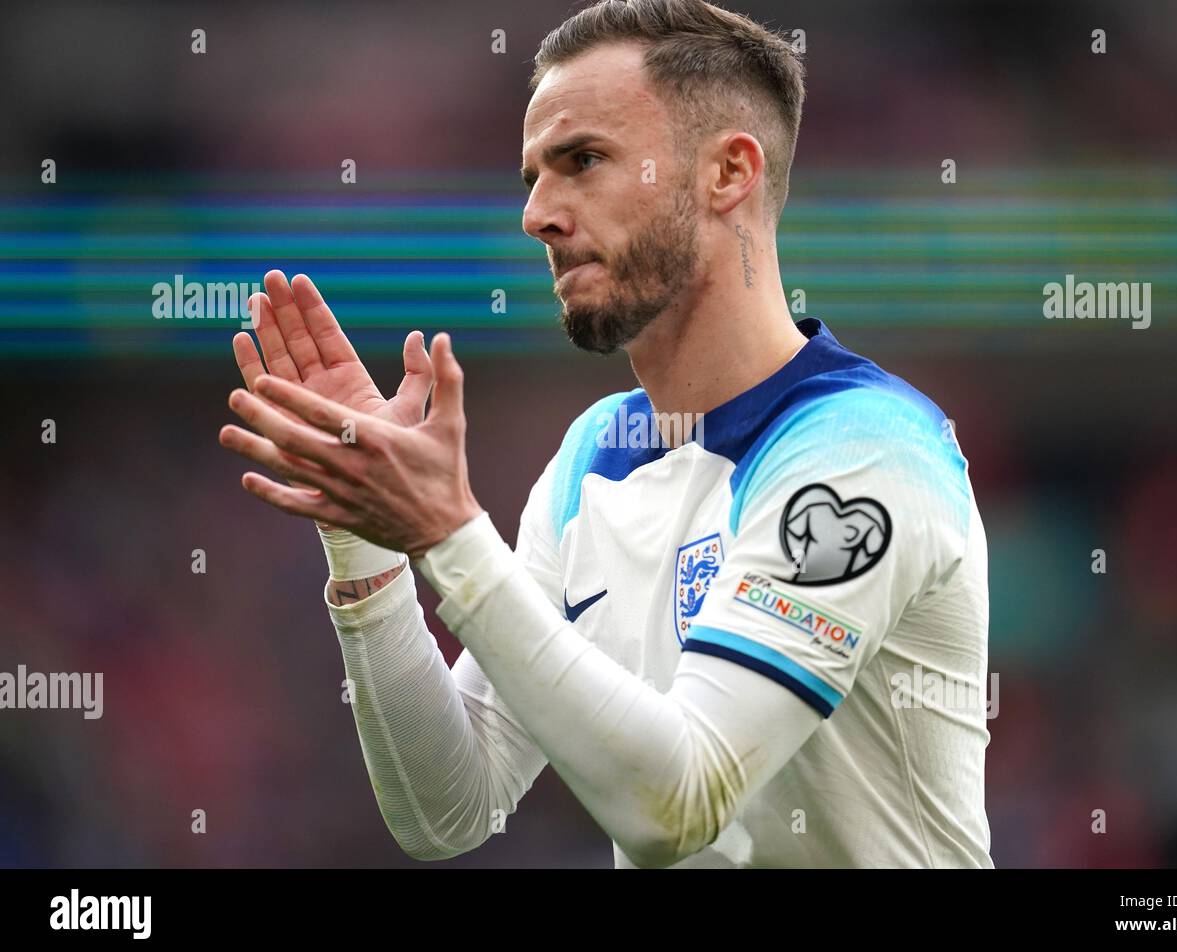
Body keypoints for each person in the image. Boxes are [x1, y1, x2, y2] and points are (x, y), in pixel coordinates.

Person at [219, 0, 992, 868]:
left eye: (582, 160)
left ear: (728, 172)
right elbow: (449, 808)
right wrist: (368, 544)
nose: (537, 215)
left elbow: (679, 802)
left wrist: (448, 532)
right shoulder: (596, 455)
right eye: (532, 179)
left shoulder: (863, 453)